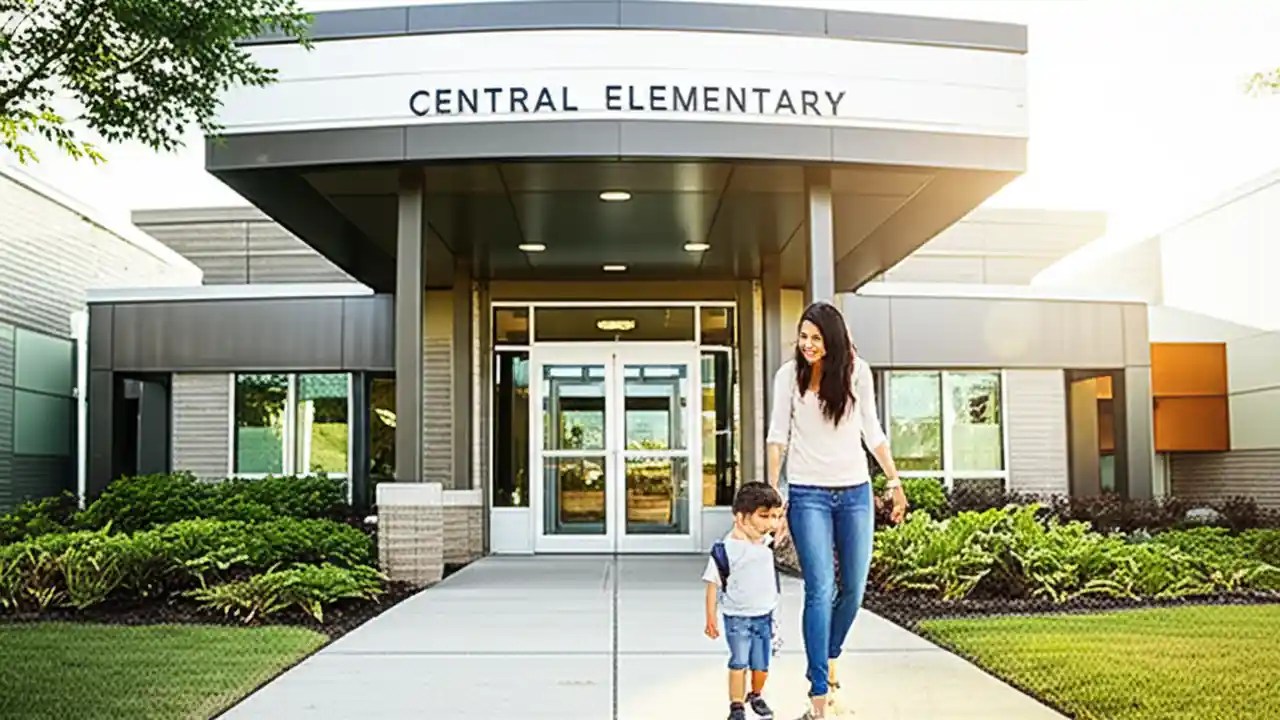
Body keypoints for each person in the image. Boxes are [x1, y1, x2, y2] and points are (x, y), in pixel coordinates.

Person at [767, 301, 907, 719]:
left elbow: (873, 430)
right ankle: (818, 693)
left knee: (854, 590)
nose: (807, 345)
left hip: (855, 494)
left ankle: (829, 655)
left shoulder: (856, 373)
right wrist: (774, 496)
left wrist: (894, 482)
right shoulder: (787, 377)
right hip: (808, 494)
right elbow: (778, 436)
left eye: (816, 338)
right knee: (819, 588)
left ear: (834, 340)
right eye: (803, 336)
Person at [703, 481, 786, 720]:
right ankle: (736, 706)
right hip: (737, 617)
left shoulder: (767, 543)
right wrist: (711, 619)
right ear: (741, 518)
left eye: (775, 516)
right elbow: (712, 586)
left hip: (765, 616)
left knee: (761, 665)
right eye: (764, 516)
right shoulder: (725, 550)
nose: (771, 523)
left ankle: (756, 694)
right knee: (739, 662)